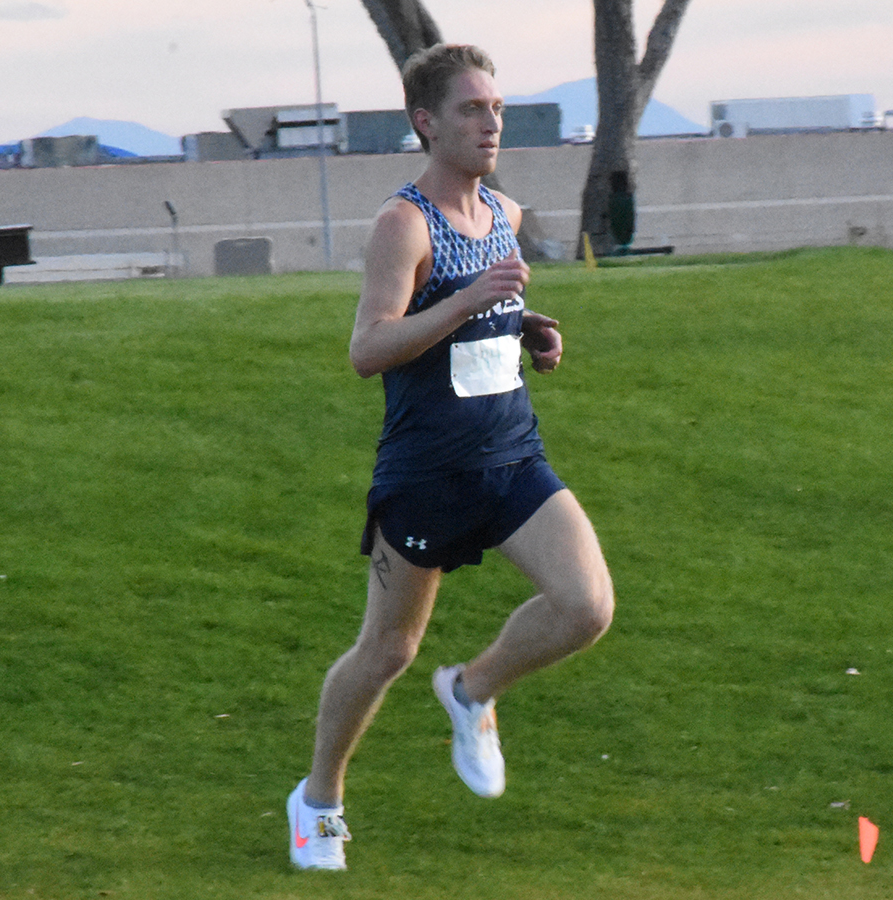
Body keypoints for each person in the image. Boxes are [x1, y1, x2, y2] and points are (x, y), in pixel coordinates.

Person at [287, 43, 615, 872]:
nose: (491, 122)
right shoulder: (402, 223)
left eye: (496, 107)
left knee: (587, 607)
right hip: (427, 475)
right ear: (427, 123)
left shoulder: (502, 212)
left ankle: (473, 690)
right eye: (472, 109)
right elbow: (369, 348)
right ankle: (318, 799)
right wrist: (469, 299)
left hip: (512, 459)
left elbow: (488, 322)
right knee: (386, 652)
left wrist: (528, 331)